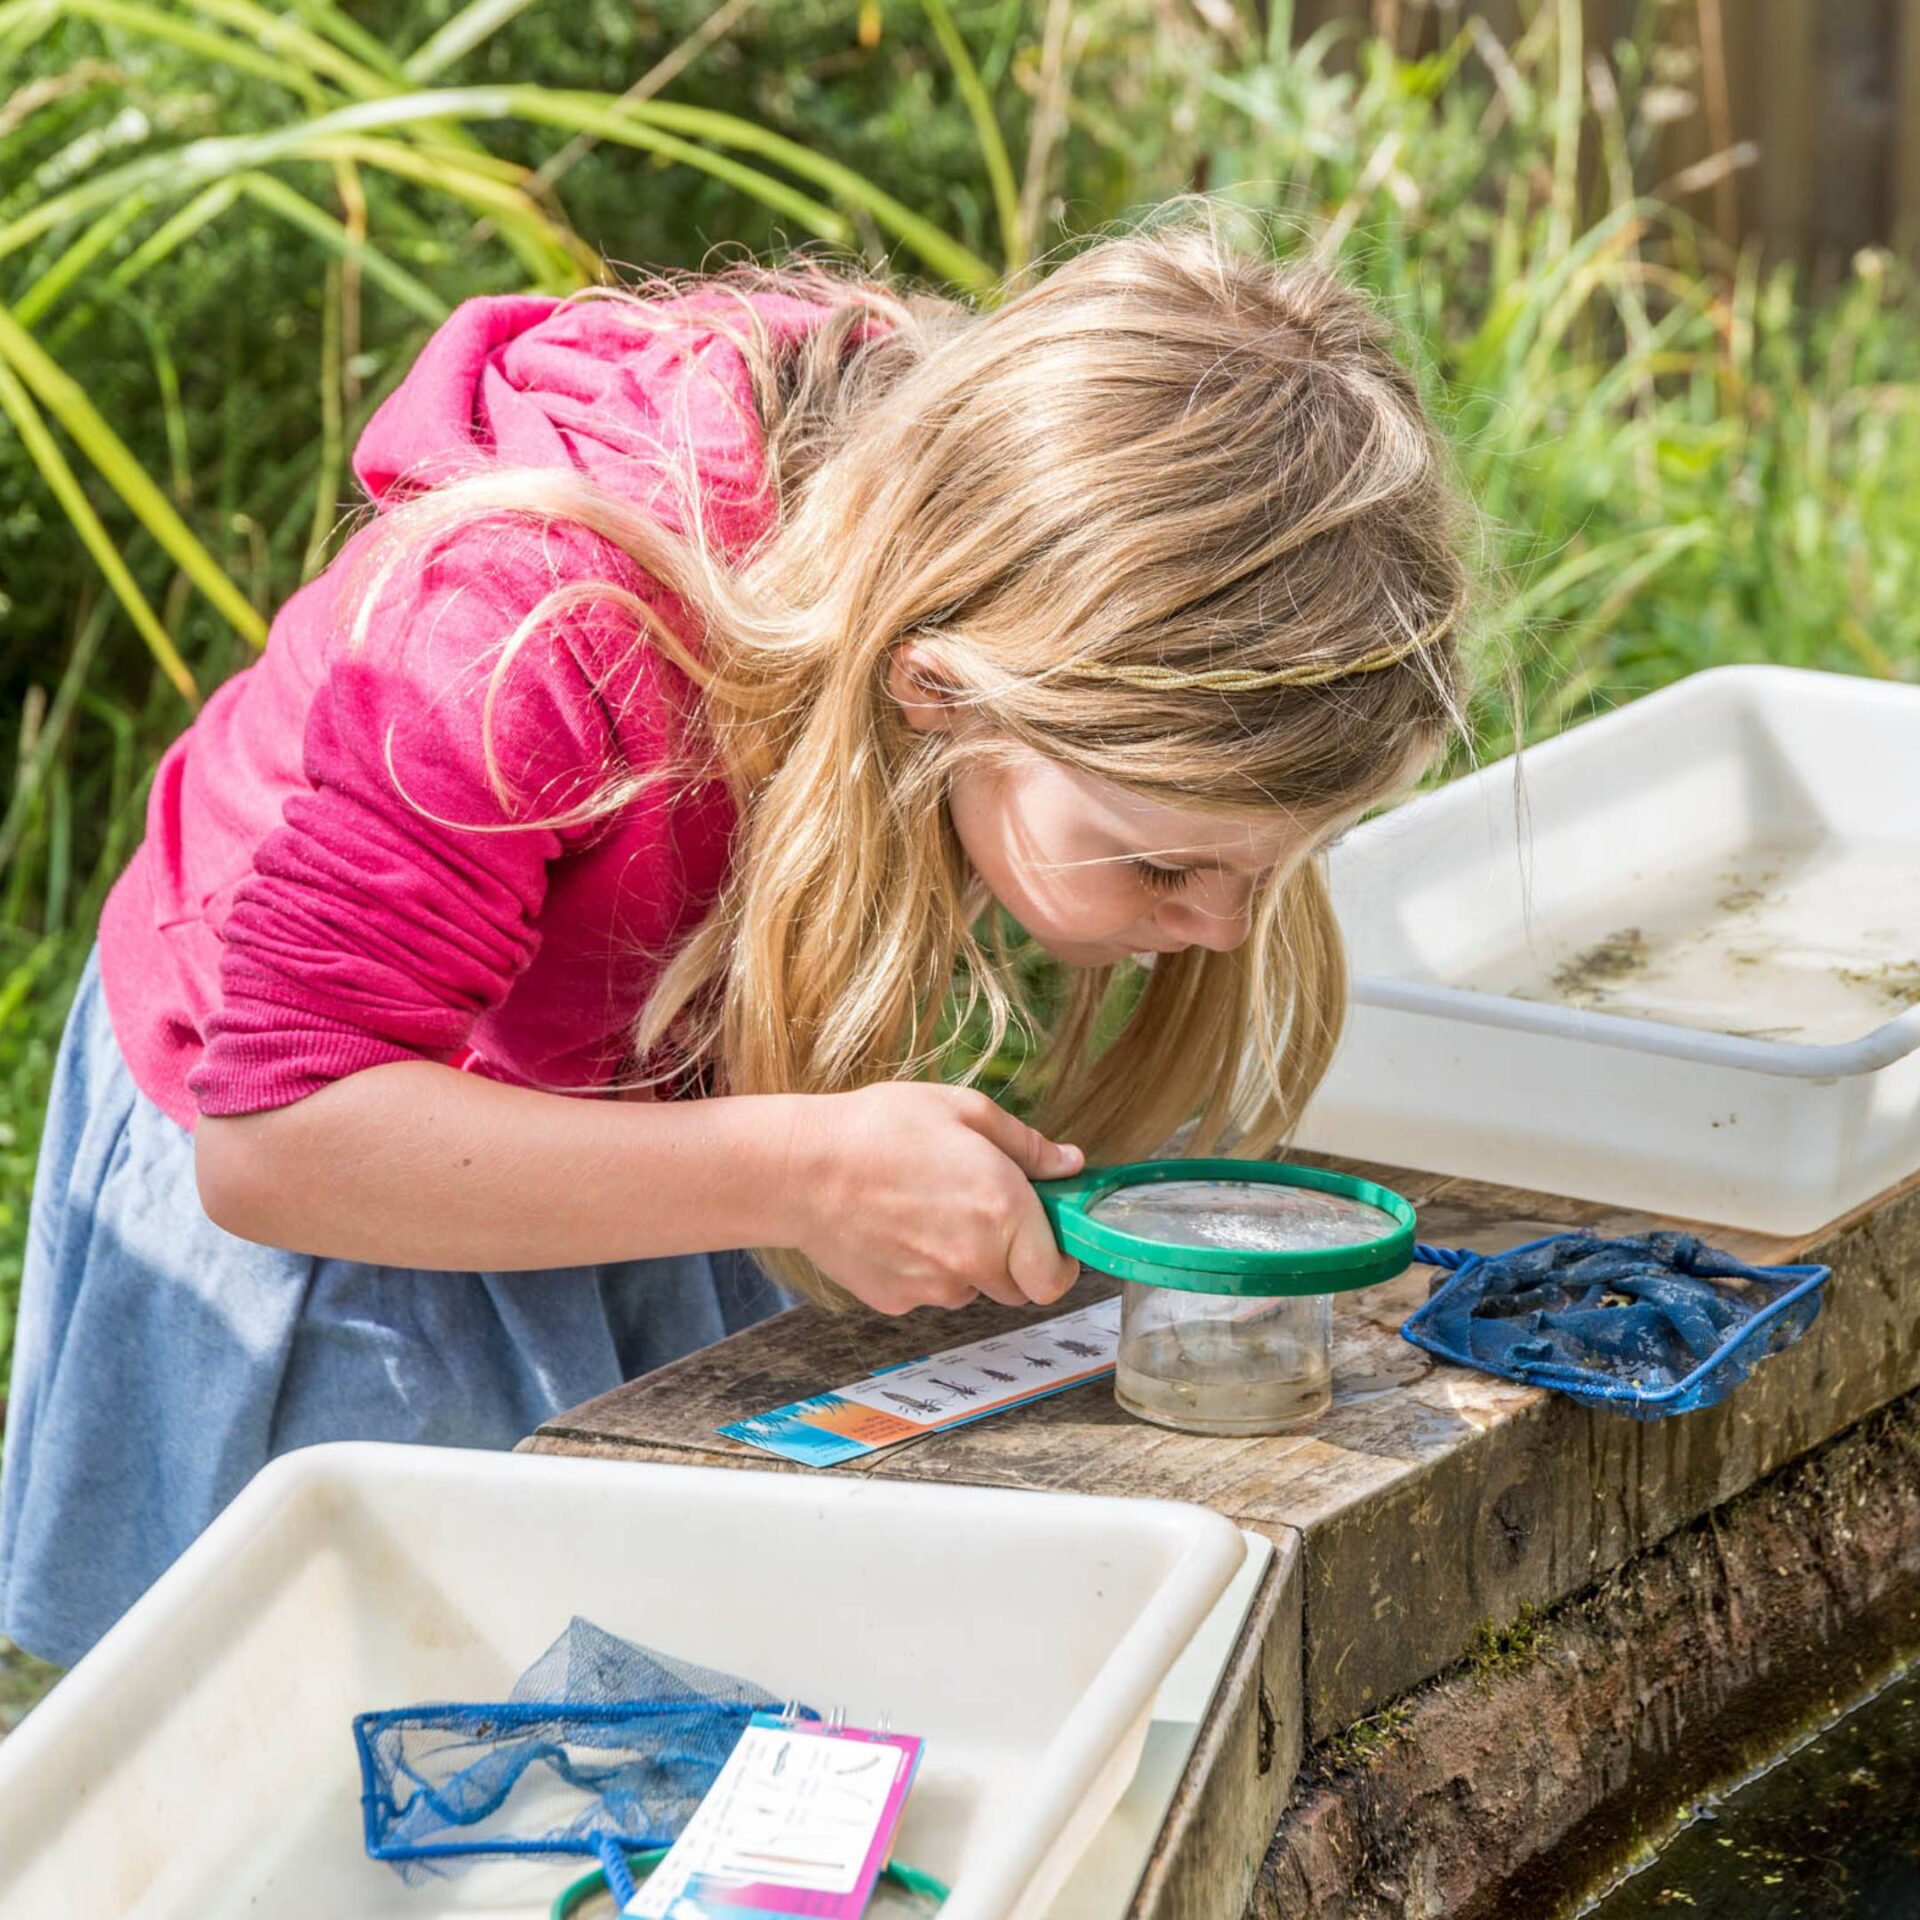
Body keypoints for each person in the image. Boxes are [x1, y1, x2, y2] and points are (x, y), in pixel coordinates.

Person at [0, 206, 1470, 1667]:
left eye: (1272, 871)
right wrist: (808, 1170)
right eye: (1165, 865)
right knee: (366, 1708)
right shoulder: (526, 638)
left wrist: (782, 1170)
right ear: (938, 694)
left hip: (634, 1097)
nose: (1218, 933)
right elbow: (278, 1144)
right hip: (357, 1189)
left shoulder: (972, 527)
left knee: (652, 1657)